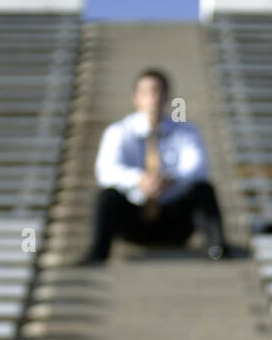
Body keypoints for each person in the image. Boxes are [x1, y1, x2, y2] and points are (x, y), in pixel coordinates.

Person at [80, 68, 229, 264]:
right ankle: (98, 253)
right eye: (146, 92)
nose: (153, 98)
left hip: (175, 219)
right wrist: (139, 179)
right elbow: (106, 170)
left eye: (157, 91)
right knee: (107, 195)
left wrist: (170, 180)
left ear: (167, 96)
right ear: (136, 98)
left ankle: (217, 249)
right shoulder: (118, 131)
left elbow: (198, 168)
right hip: (134, 219)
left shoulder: (187, 130)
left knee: (204, 190)